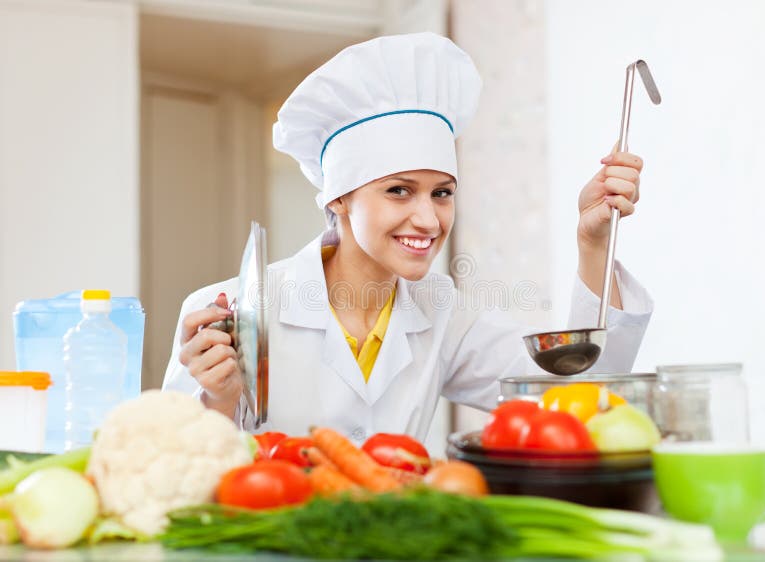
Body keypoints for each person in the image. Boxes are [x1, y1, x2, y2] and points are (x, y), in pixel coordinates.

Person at [162, 32, 652, 441]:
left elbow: (579, 397)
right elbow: (170, 478)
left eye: (442, 193)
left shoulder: (443, 311)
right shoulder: (227, 314)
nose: (428, 219)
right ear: (338, 199)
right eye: (399, 191)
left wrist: (592, 243)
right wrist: (218, 399)